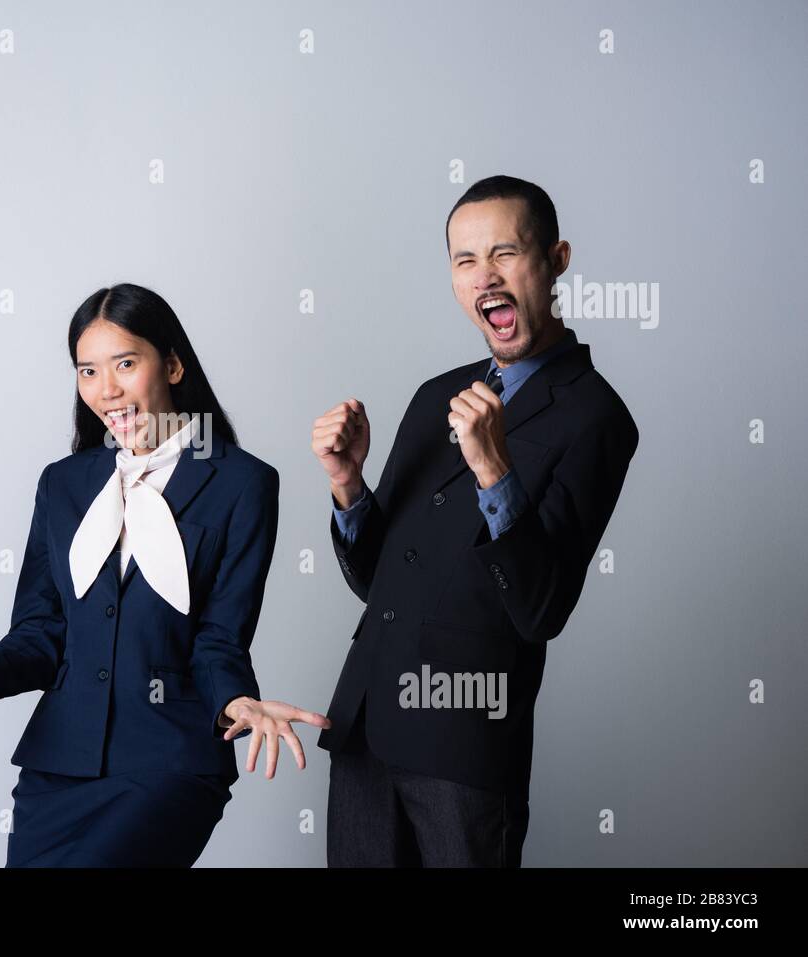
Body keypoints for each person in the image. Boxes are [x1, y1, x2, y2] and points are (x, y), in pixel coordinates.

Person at [0, 282, 329, 866]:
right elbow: (41, 635)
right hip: (58, 766)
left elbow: (220, 637)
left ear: (171, 363)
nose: (106, 389)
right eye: (87, 371)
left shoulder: (242, 482)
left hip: (166, 766)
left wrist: (237, 702)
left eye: (125, 364)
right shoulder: (62, 484)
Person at [313, 176, 639, 867]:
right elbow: (377, 579)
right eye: (465, 260)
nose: (483, 276)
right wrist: (348, 486)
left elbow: (541, 608)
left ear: (556, 259)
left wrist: (495, 469)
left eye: (505, 253)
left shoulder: (597, 417)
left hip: (464, 748)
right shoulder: (438, 395)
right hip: (366, 730)